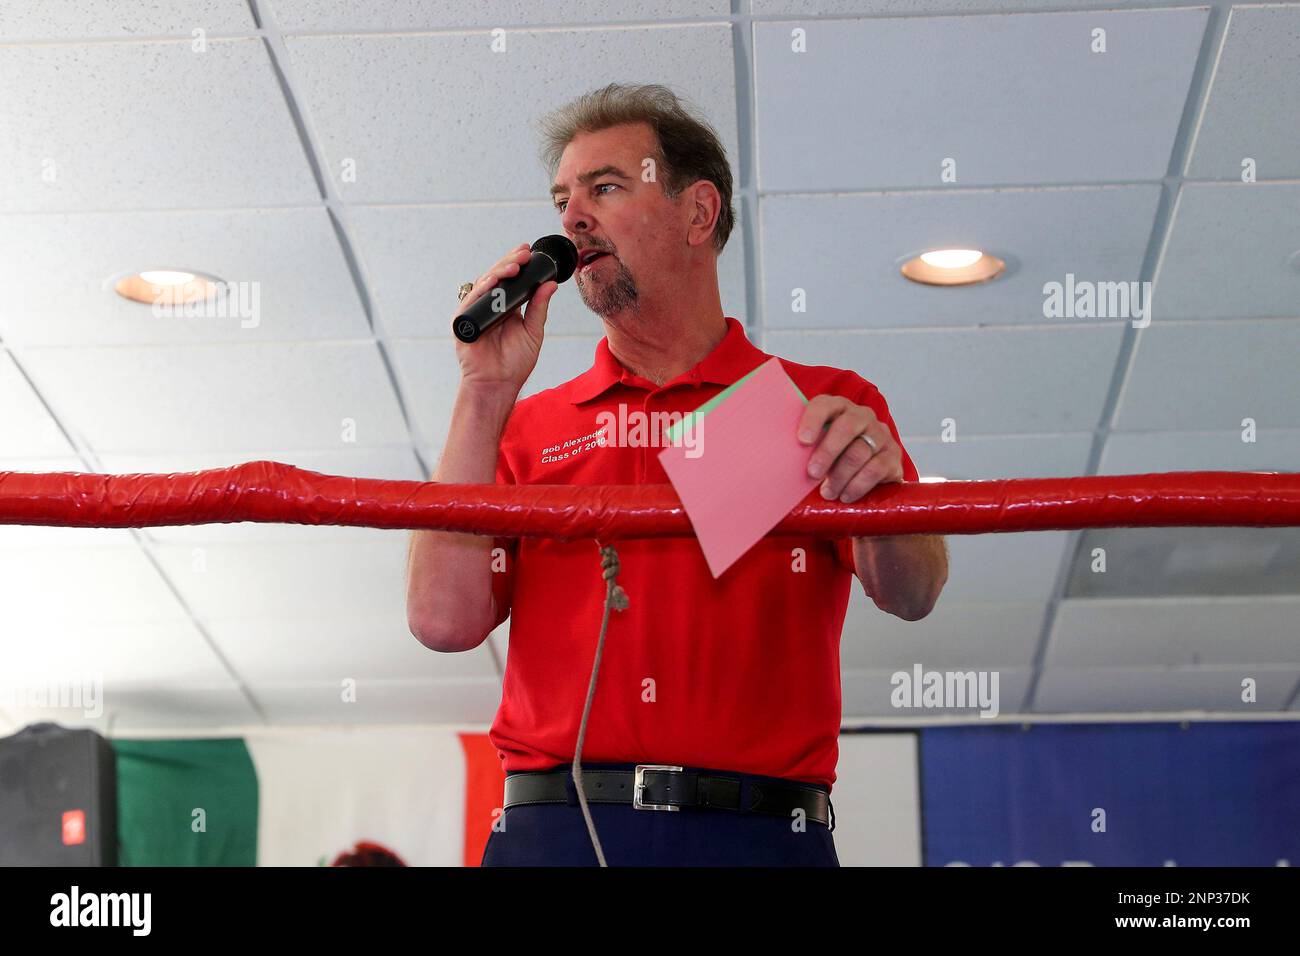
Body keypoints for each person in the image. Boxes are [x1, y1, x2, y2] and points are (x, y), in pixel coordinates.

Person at [407, 83, 948, 866]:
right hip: (558, 829)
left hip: (761, 833)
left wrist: (876, 489)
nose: (571, 218)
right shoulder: (522, 427)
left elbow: (914, 593)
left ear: (699, 213)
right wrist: (483, 391)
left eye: (605, 188)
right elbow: (441, 623)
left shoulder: (821, 405)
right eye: (562, 199)